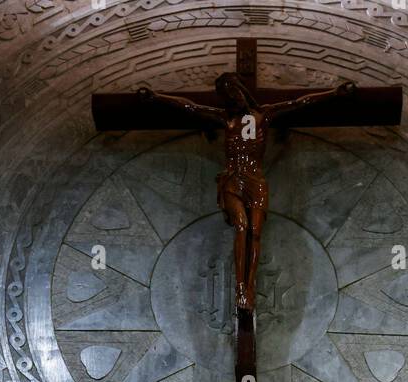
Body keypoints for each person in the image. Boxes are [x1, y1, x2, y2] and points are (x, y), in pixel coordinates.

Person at [139, 72, 355, 312]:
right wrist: (156, 96)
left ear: (242, 90)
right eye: (228, 97)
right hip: (232, 179)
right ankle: (241, 287)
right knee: (241, 226)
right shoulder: (224, 118)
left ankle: (249, 285)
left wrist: (334, 93)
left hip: (256, 180)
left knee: (255, 232)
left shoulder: (264, 114)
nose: (234, 99)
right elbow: (191, 107)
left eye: (235, 92)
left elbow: (299, 103)